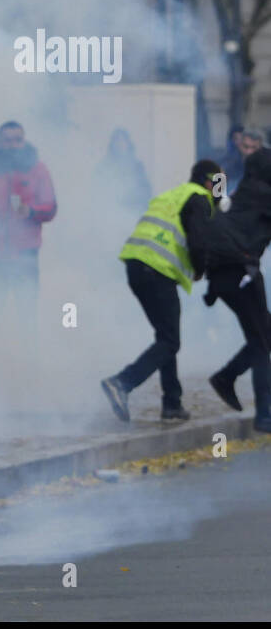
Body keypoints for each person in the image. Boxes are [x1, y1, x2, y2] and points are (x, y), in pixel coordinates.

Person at [100, 160, 219, 423]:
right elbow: (199, 241)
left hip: (137, 265)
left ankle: (172, 403)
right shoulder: (200, 198)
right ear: (210, 182)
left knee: (165, 337)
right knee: (170, 340)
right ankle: (121, 383)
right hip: (157, 270)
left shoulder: (173, 195)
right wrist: (201, 269)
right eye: (218, 184)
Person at [201, 147, 271, 433]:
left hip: (221, 277)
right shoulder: (265, 196)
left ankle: (226, 377)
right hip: (242, 273)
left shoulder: (241, 193)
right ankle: (264, 415)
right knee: (261, 343)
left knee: (265, 333)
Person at [0, 121, 57, 330]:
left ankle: (28, 359)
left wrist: (31, 211)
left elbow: (50, 207)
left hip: (27, 255)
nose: (14, 145)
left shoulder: (38, 169)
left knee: (27, 316)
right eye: (8, 140)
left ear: (24, 141)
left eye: (18, 140)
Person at [94, 127, 151, 217]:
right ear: (112, 145)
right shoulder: (104, 168)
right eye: (117, 141)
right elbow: (98, 193)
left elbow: (146, 192)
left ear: (128, 144)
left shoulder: (138, 167)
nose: (120, 144)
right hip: (112, 216)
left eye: (123, 141)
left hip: (134, 214)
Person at [217, 124, 244, 192]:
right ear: (231, 140)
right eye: (236, 139)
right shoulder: (226, 160)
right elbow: (218, 190)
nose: (239, 142)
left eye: (242, 139)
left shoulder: (252, 159)